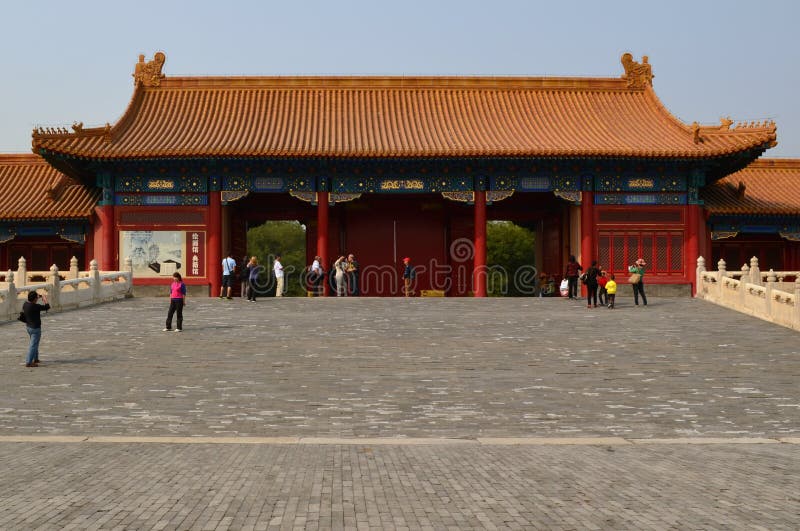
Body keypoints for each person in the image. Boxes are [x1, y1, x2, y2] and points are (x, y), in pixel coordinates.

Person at [22, 291, 50, 367]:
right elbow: (47, 307)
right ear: (35, 299)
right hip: (35, 328)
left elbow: (32, 301)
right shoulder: (35, 306)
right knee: (33, 345)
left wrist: (38, 296)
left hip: (28, 327)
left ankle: (36, 359)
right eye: (37, 297)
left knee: (35, 343)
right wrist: (45, 299)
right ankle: (29, 362)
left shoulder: (25, 304)